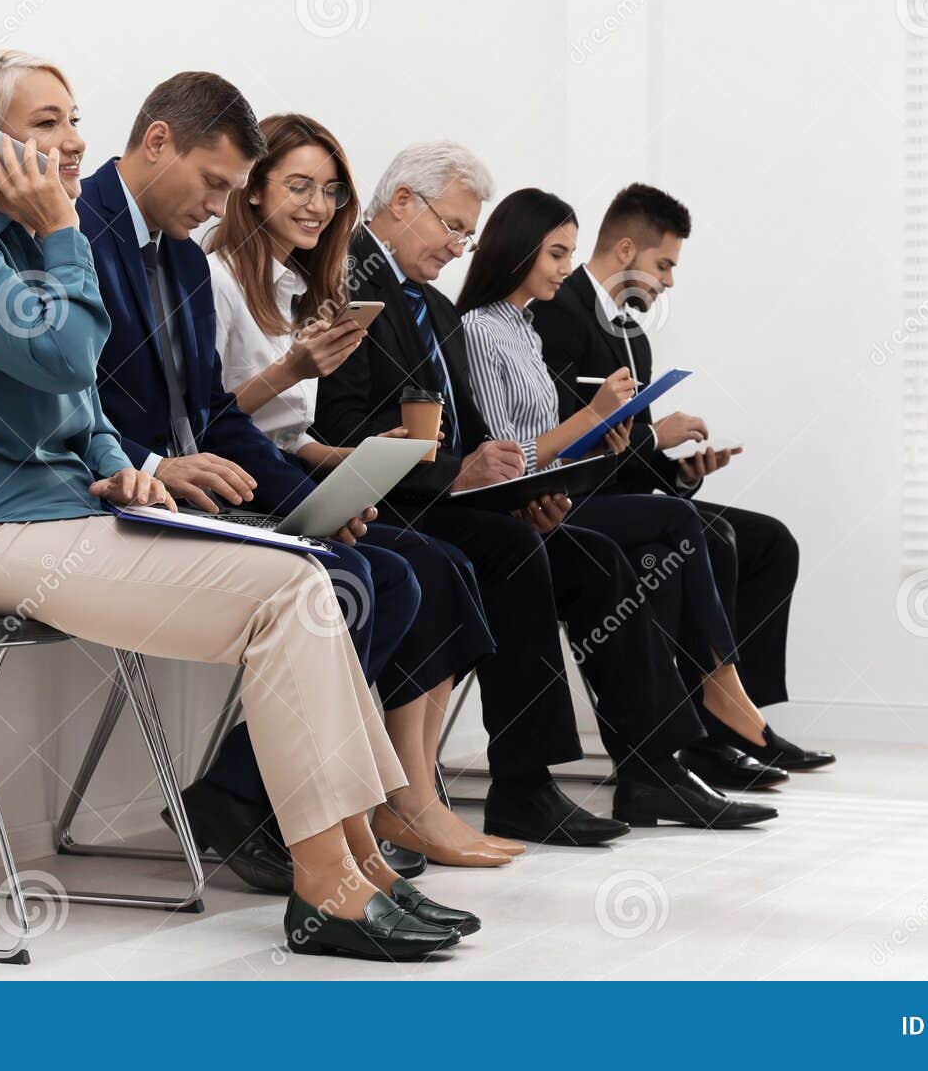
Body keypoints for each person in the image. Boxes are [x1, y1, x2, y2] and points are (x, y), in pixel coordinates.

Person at [0, 50, 471, 958]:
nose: (74, 139)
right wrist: (61, 229)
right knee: (291, 591)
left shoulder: (31, 245)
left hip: (58, 516)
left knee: (313, 576)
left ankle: (358, 861)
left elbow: (82, 412)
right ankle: (326, 881)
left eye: (72, 116)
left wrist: (124, 466)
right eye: (46, 124)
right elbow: (71, 359)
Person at [316, 142, 770, 838]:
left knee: (594, 559)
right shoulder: (349, 284)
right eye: (455, 227)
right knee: (517, 551)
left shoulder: (434, 310)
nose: (461, 246)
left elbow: (470, 436)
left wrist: (512, 487)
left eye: (470, 232)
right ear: (403, 202)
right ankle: (522, 785)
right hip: (394, 502)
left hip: (441, 495)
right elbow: (343, 426)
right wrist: (464, 475)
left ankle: (651, 771)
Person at [76, 73, 446, 888]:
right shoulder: (78, 232)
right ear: (159, 141)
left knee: (388, 577)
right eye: (215, 184)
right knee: (347, 575)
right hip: (117, 497)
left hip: (196, 488)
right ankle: (278, 810)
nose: (218, 205)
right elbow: (78, 402)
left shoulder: (174, 257)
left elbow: (216, 414)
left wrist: (307, 504)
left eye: (231, 190)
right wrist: (146, 467)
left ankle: (243, 794)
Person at [202, 112, 509, 866]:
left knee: (425, 572)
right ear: (252, 189)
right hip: (226, 482)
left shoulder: (291, 283)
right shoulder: (214, 279)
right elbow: (206, 422)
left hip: (272, 468)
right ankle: (274, 791)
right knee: (399, 574)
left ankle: (360, 791)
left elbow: (289, 429)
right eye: (298, 186)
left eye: (328, 190)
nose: (316, 204)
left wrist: (354, 462)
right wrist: (299, 388)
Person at [458, 188, 794, 818]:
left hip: (579, 488)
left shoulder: (537, 330)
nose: (563, 266)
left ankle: (658, 765)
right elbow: (508, 454)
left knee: (678, 542)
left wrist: (641, 450)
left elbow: (572, 449)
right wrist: (612, 427)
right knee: (672, 526)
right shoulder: (504, 325)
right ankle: (714, 693)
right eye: (556, 253)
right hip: (542, 502)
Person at [531, 183, 836, 778]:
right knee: (704, 537)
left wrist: (680, 472)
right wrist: (653, 437)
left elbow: (627, 455)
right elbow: (554, 442)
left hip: (628, 498)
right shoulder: (552, 314)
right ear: (625, 251)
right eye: (664, 264)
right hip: (572, 502)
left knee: (770, 541)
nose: (669, 281)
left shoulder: (633, 337)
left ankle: (728, 720)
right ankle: (712, 726)